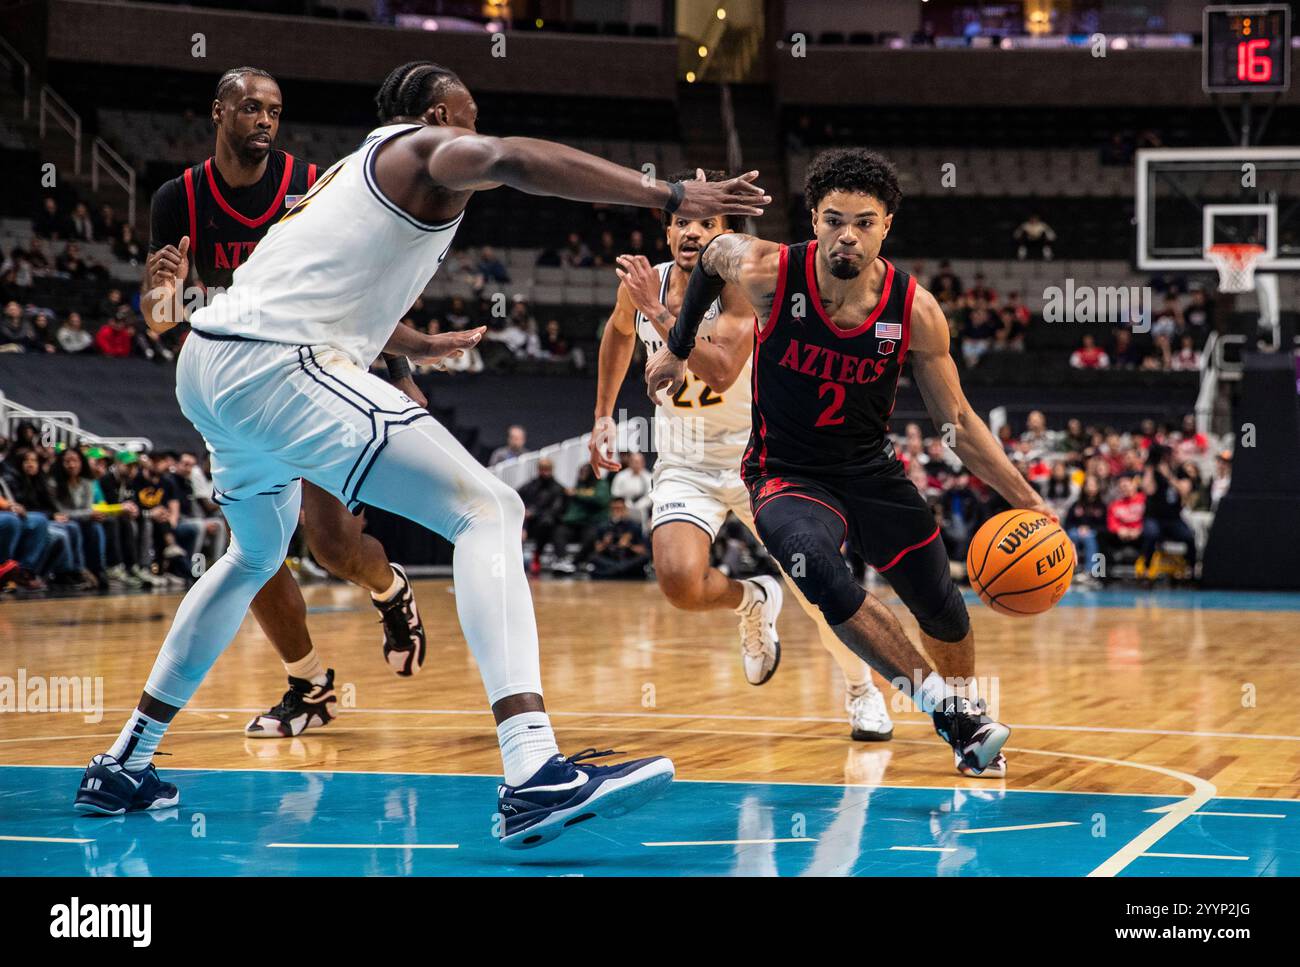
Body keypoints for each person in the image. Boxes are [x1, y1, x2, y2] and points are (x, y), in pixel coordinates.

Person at [76, 60, 769, 847]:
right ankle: (534, 770)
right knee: (488, 507)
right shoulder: (420, 148)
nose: (475, 132)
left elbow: (310, 284)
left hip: (210, 365)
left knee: (252, 555)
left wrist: (412, 342)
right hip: (277, 363)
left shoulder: (345, 175)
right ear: (440, 113)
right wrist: (670, 195)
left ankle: (123, 762)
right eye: (469, 115)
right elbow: (512, 159)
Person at [645, 149, 1059, 777]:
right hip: (786, 474)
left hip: (870, 471)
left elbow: (958, 424)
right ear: (813, 219)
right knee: (823, 576)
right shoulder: (766, 270)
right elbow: (707, 256)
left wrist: (1026, 500)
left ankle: (969, 715)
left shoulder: (915, 310)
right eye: (834, 219)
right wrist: (676, 349)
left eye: (863, 222)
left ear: (886, 225)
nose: (848, 234)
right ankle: (955, 718)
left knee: (941, 605)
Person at [141, 66, 429, 736]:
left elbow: (368, 282)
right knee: (257, 554)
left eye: (274, 110)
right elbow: (159, 316)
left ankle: (390, 590)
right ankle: (309, 682)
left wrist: (401, 366)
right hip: (235, 386)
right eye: (250, 108)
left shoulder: (309, 183)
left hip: (313, 373)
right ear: (219, 112)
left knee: (331, 544)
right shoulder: (177, 198)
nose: (264, 121)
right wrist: (166, 292)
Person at [596, 168, 893, 740]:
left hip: (763, 459)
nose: (693, 233)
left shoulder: (741, 290)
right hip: (683, 458)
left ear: (725, 235)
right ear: (667, 232)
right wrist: (602, 415)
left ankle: (862, 693)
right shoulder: (645, 285)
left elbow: (722, 366)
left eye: (708, 224)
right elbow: (618, 332)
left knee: (819, 586)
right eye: (682, 222)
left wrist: (656, 316)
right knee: (679, 581)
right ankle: (752, 599)